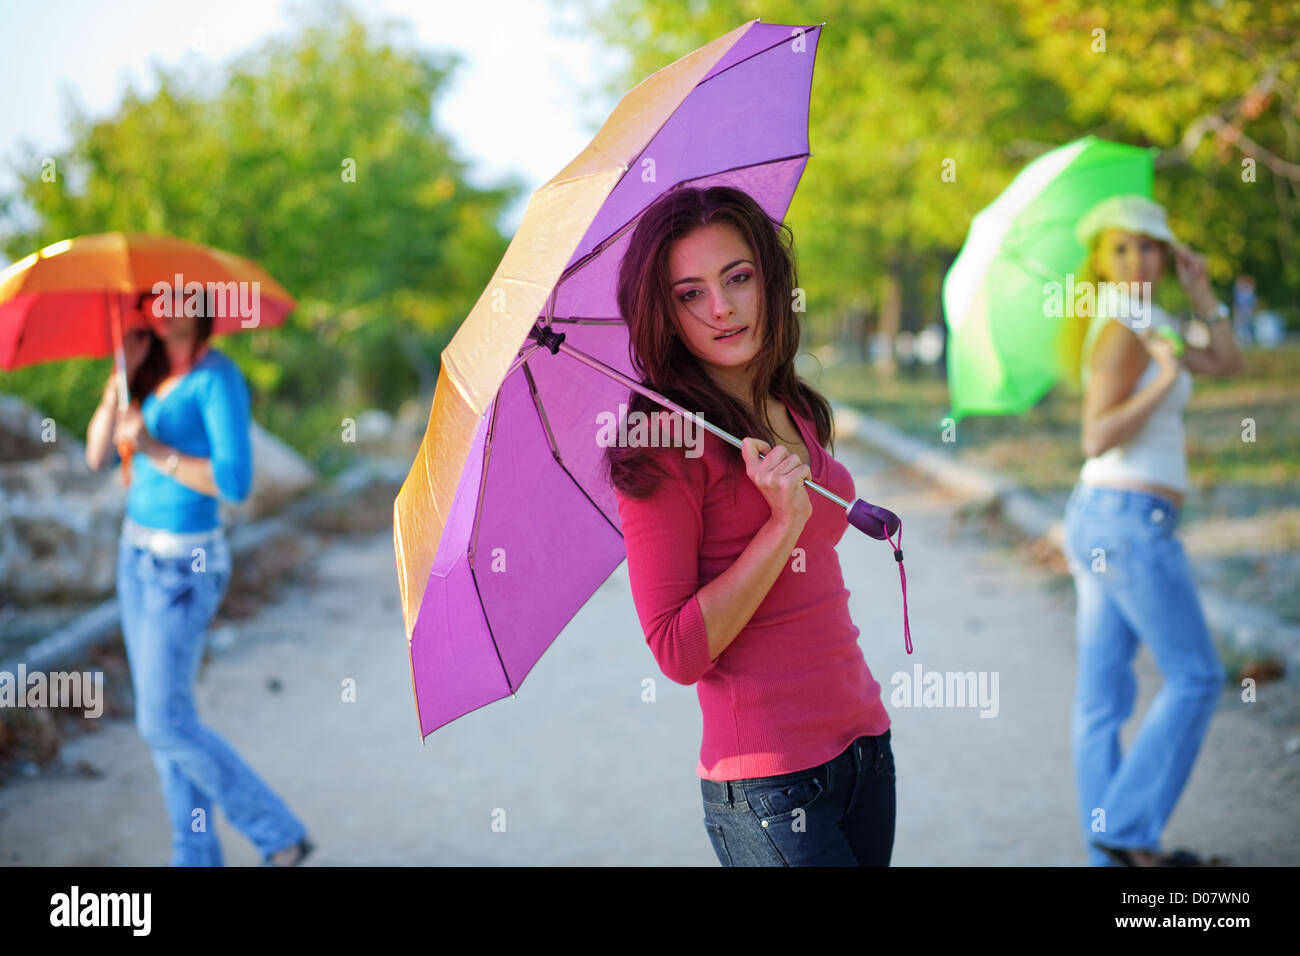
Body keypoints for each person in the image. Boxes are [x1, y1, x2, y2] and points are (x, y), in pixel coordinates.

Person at [606, 186, 896, 867]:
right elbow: (676, 652)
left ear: (769, 279)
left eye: (737, 277)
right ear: (664, 313)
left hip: (863, 747)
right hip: (771, 784)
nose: (722, 308)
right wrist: (781, 525)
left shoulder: (789, 404)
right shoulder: (661, 444)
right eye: (690, 293)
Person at [85, 290, 313, 867]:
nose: (164, 306)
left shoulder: (219, 378)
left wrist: (157, 448)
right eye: (156, 295)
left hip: (185, 567)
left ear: (203, 303)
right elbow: (96, 458)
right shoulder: (146, 371)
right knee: (170, 721)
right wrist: (123, 378)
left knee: (162, 721)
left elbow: (235, 483)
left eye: (179, 294)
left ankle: (278, 833)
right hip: (134, 558)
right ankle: (196, 858)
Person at [1060, 194, 1244, 867]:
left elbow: (1229, 362)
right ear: (1102, 261)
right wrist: (1164, 376)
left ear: (1168, 254)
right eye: (1122, 247)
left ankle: (1113, 856)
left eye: (1150, 245)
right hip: (1126, 522)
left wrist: (1203, 294)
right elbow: (1097, 433)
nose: (1138, 258)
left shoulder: (1149, 317)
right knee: (1196, 675)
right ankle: (1130, 829)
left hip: (1111, 520)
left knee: (1102, 699)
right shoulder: (1119, 325)